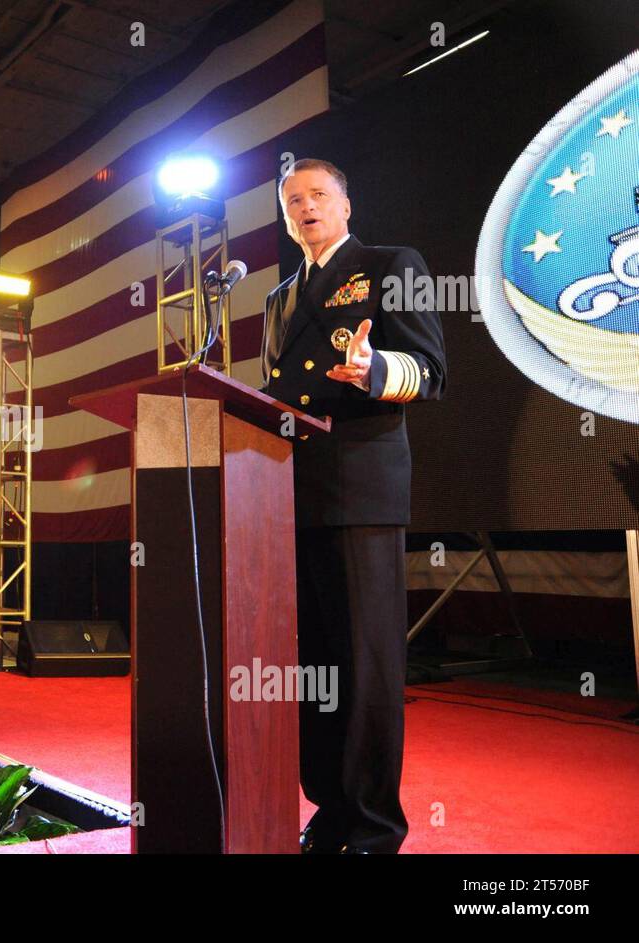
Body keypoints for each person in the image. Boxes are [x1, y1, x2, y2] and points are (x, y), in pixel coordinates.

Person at [260, 158, 445, 855]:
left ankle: (372, 824)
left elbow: (431, 371)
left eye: (317, 196)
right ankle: (330, 809)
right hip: (291, 493)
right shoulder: (280, 297)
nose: (304, 208)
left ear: (345, 202)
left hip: (362, 488)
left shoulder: (391, 264)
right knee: (320, 667)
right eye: (291, 200)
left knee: (366, 666)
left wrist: (375, 372)